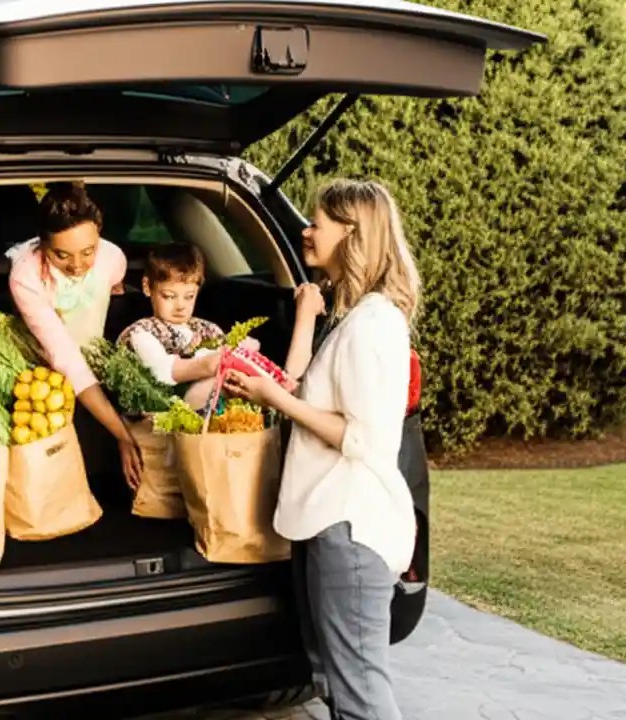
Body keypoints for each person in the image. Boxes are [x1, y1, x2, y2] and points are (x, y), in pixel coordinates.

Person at [225, 179, 421, 720]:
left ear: (352, 234)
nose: (306, 231)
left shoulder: (375, 324)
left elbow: (363, 436)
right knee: (334, 685)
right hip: (328, 524)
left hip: (352, 528)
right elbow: (307, 387)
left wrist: (273, 399)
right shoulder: (353, 318)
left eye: (318, 223)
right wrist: (301, 329)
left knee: (359, 692)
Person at [7, 181, 143, 488]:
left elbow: (116, 288)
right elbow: (66, 358)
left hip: (96, 358)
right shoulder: (26, 276)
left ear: (99, 235)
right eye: (61, 255)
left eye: (87, 251)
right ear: (41, 244)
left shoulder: (113, 258)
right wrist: (122, 434)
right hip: (47, 371)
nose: (77, 266)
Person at [116, 243, 225, 408]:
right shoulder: (140, 333)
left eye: (189, 296)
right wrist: (209, 365)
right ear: (147, 287)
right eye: (168, 296)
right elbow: (161, 370)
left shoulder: (209, 330)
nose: (180, 305)